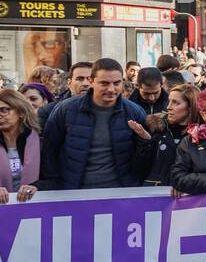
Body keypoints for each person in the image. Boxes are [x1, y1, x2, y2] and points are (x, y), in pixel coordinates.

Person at [39, 58, 151, 190]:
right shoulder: (66, 109)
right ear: (91, 82)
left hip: (121, 193)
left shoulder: (134, 112)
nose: (111, 89)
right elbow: (49, 151)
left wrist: (145, 140)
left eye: (116, 83)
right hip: (74, 192)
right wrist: (55, 185)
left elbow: (143, 160)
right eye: (104, 83)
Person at [129, 82, 200, 186]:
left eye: (176, 103)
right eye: (169, 101)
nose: (168, 107)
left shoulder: (203, 133)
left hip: (186, 192)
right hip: (154, 192)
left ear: (191, 107)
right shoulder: (154, 126)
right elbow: (139, 167)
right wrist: (146, 140)